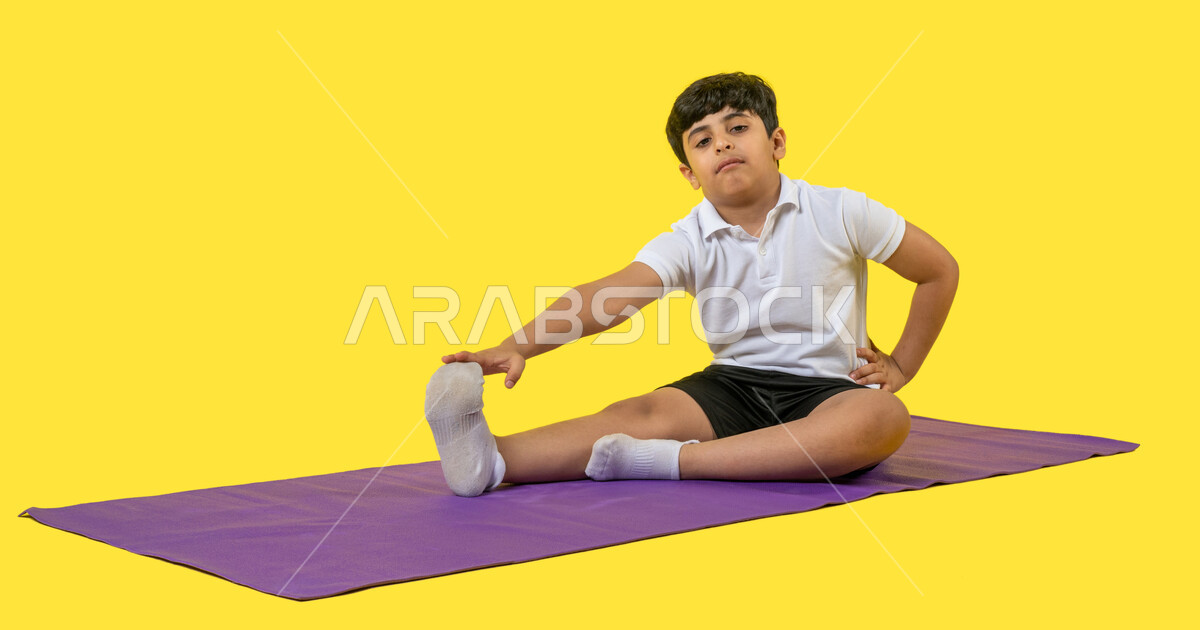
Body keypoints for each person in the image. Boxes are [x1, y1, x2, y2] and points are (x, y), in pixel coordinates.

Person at [423, 72, 958, 497]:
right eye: (703, 141)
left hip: (829, 393)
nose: (722, 145)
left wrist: (903, 365)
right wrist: (515, 347)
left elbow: (938, 270)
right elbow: (608, 297)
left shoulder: (840, 210)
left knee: (883, 417)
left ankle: (672, 462)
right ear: (689, 172)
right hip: (732, 385)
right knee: (639, 414)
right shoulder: (689, 237)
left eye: (737, 128)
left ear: (777, 142)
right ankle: (491, 459)